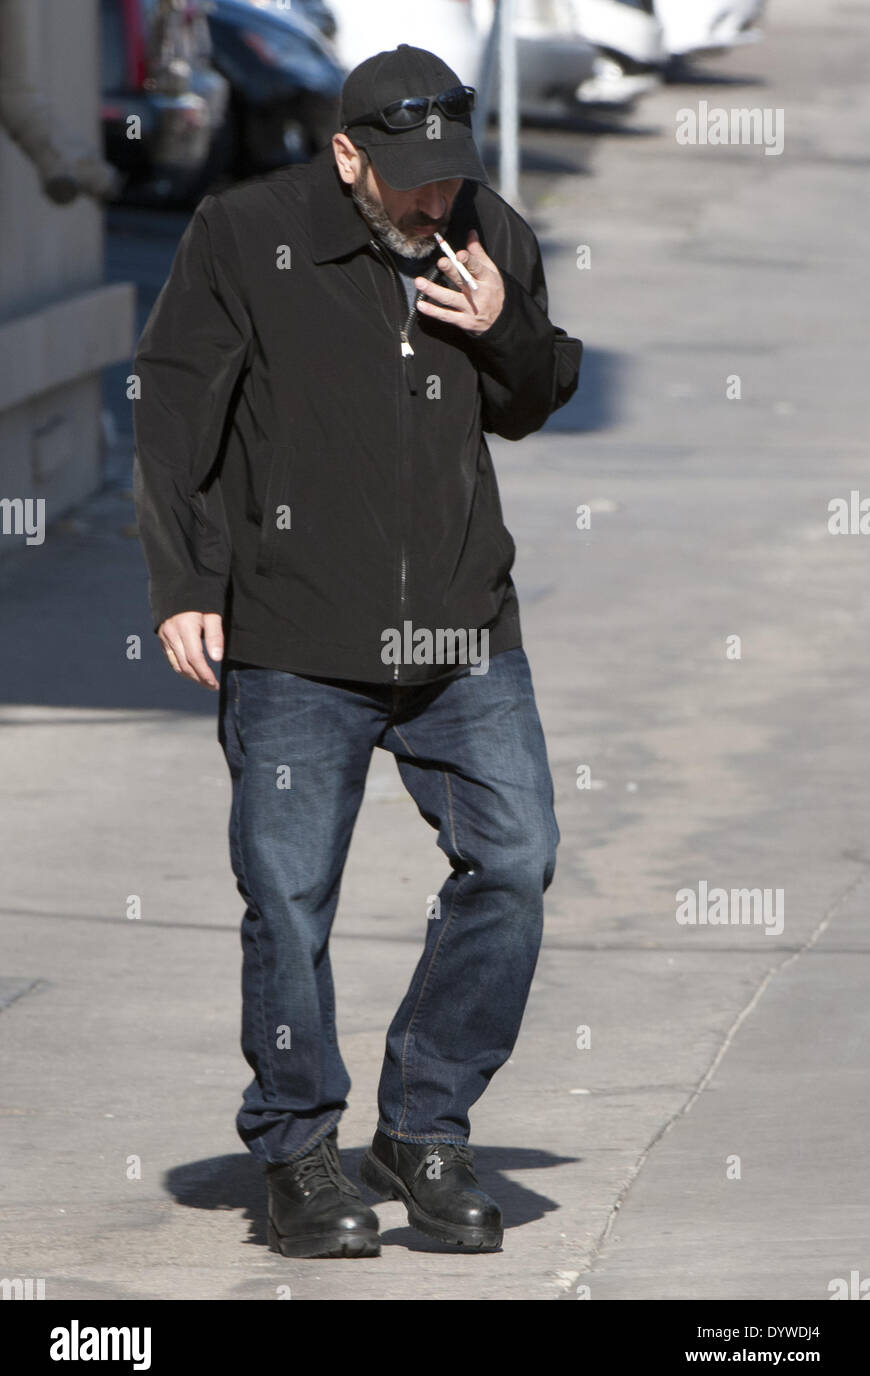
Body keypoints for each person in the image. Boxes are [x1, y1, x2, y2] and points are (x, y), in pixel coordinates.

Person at [132, 43, 582, 1259]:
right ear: (346, 156)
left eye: (450, 174)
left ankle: (425, 1123)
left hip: (458, 629)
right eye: (410, 178)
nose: (436, 200)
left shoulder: (489, 235)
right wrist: (185, 581)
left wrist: (503, 329)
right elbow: (176, 411)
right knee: (286, 900)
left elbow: (534, 400)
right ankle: (295, 1151)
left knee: (519, 858)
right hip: (295, 636)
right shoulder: (243, 236)